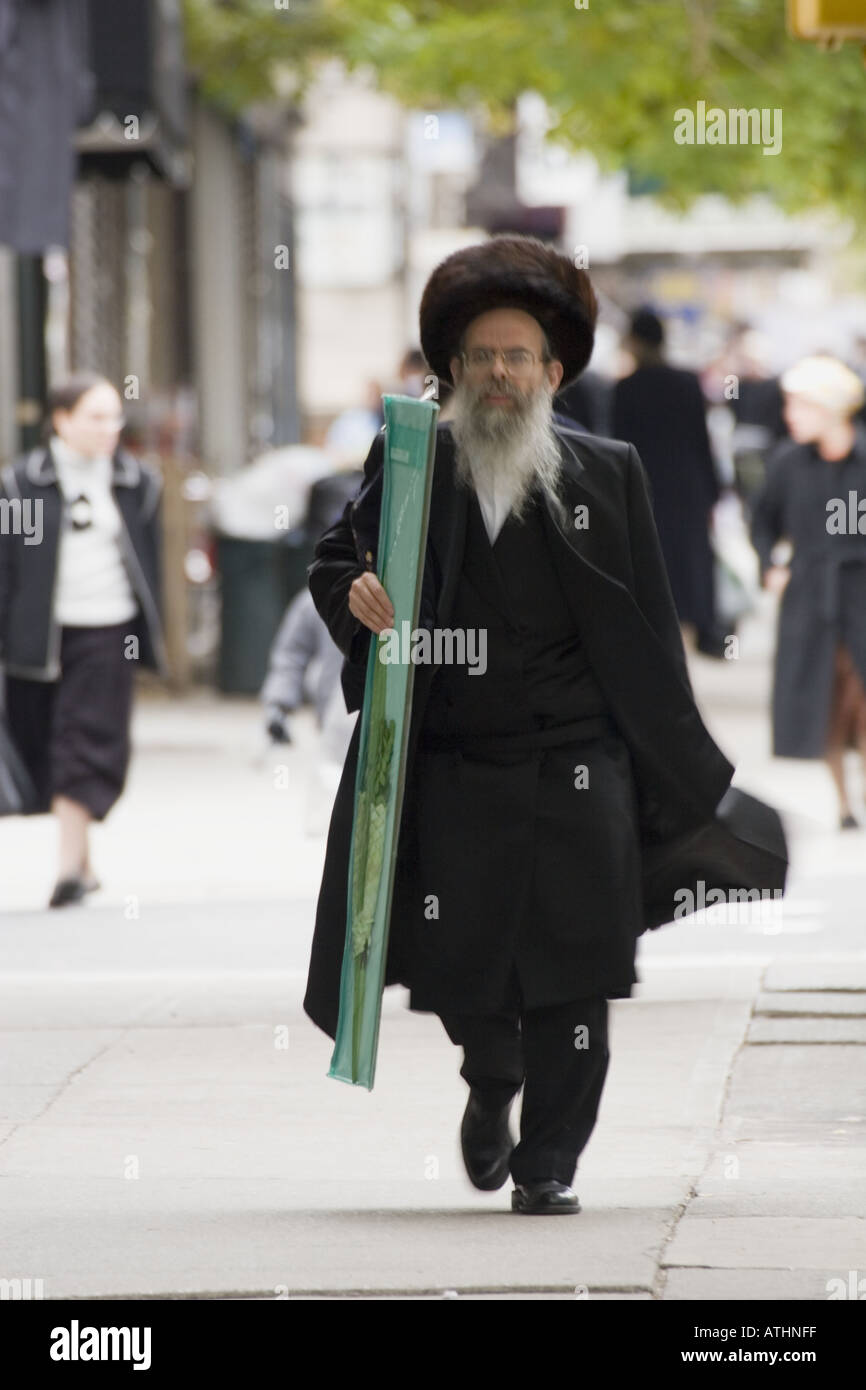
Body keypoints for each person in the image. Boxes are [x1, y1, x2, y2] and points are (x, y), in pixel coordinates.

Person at [304, 236, 771, 1216]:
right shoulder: (411, 460)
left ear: (553, 372)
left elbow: (645, 624)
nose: (501, 373)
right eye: (481, 356)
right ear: (455, 372)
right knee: (462, 964)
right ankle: (489, 1078)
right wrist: (356, 593)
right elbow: (334, 559)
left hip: (578, 757)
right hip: (453, 757)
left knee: (576, 968)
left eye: (519, 356)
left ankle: (550, 1159)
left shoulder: (610, 471)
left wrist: (669, 767)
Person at [0, 373, 166, 905]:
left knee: (85, 736)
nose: (109, 428)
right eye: (95, 416)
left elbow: (150, 561)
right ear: (61, 420)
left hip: (108, 628)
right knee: (51, 739)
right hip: (37, 639)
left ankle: (68, 869)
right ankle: (85, 862)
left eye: (115, 416)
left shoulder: (138, 482)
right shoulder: (20, 484)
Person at [750, 356, 866, 830]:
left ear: (830, 407)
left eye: (800, 404)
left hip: (860, 596)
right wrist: (770, 566)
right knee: (825, 706)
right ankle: (843, 804)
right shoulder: (786, 463)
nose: (790, 414)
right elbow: (762, 523)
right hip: (810, 599)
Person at [612, 308, 725, 657]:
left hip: (645, 490)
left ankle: (661, 645)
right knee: (688, 567)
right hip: (688, 489)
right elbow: (702, 441)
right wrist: (713, 491)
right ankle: (692, 636)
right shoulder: (688, 382)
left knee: (653, 567)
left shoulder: (626, 389)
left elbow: (619, 447)